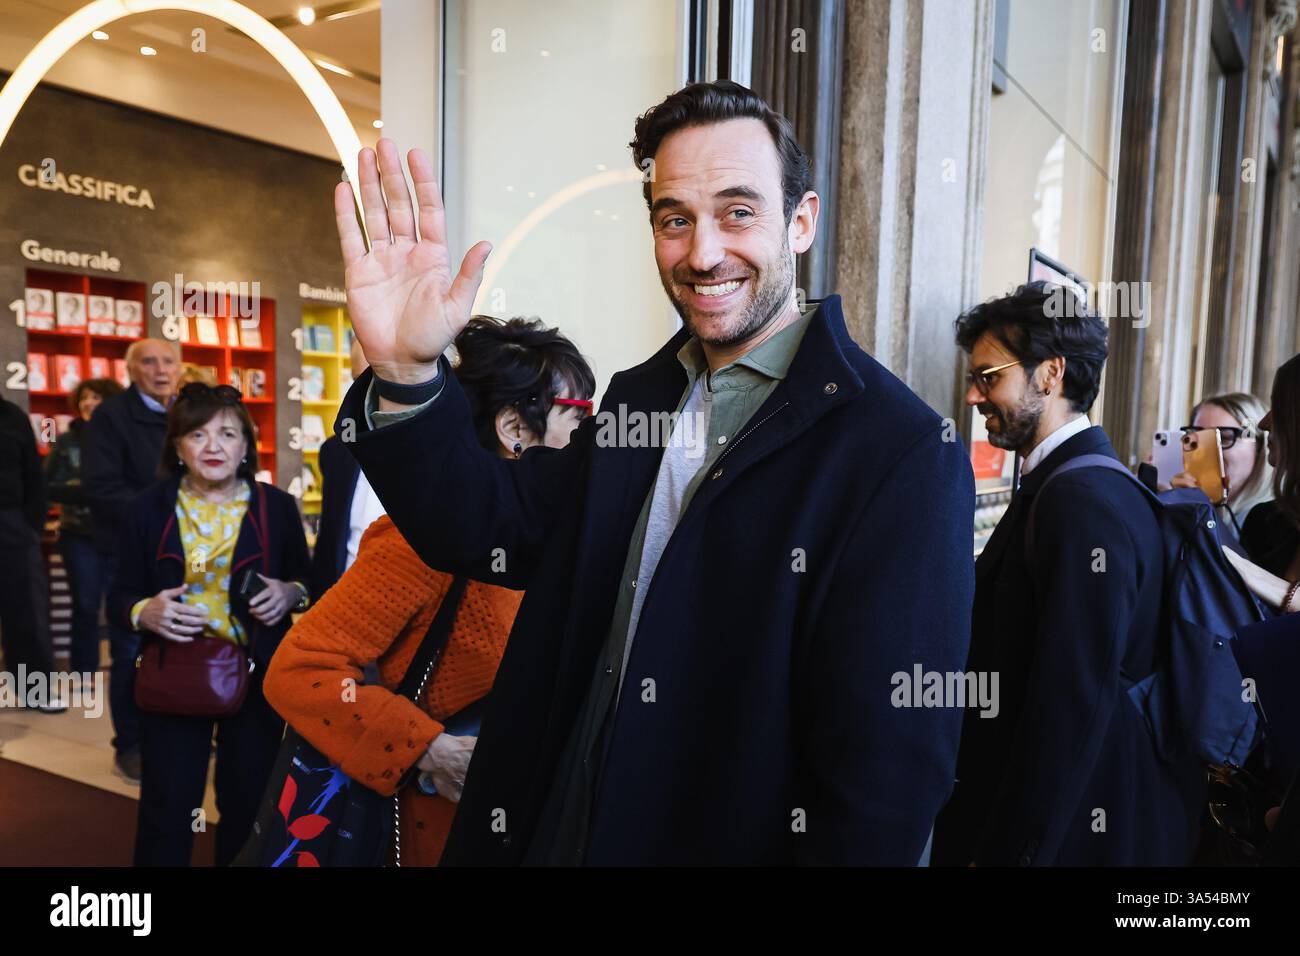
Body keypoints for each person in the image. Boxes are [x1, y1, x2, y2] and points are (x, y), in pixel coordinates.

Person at [330, 80, 975, 865]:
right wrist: (403, 370)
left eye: (738, 211)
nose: (703, 253)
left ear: (800, 222)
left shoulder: (895, 447)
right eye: (675, 220)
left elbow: (887, 778)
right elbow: (484, 526)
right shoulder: (645, 396)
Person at [265, 316, 595, 865]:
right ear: (515, 427)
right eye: (579, 413)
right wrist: (425, 749)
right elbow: (301, 671)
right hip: (432, 827)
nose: (593, 435)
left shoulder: (553, 540)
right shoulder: (421, 545)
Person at [933, 282, 1205, 866]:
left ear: (1050, 374)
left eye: (989, 376)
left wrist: (1014, 852)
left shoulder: (1079, 499)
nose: (973, 395)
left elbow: (1069, 704)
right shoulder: (1077, 483)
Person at [108, 383, 310, 866]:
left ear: (246, 445)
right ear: (177, 447)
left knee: (248, 805)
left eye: (227, 434)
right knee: (167, 809)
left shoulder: (276, 506)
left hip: (257, 674)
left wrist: (289, 593)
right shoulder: (147, 508)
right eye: (197, 435)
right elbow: (118, 596)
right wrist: (144, 610)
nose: (214, 446)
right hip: (172, 671)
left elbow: (309, 582)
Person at [82, 338, 181, 781]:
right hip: (129, 553)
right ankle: (131, 745)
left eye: (168, 360)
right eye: (149, 361)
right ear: (131, 370)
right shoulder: (110, 416)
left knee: (185, 641)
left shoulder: (189, 411)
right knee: (129, 649)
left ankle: (183, 728)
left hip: (188, 550)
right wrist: (165, 517)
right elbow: (101, 489)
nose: (160, 369)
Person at [44, 378, 125, 676]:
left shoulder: (123, 438)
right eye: (84, 398)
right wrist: (87, 491)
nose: (89, 403)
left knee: (122, 603)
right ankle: (83, 671)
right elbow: (47, 485)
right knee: (86, 605)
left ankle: (126, 667)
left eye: (97, 397)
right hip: (78, 534)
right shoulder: (67, 441)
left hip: (119, 534)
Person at [307, 337, 384, 603]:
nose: (366, 394)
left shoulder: (455, 453)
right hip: (342, 619)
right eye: (357, 381)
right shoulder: (336, 452)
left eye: (379, 379)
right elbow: (329, 550)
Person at [0, 394, 61, 712]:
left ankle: (37, 691)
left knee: (28, 614)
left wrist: (31, 527)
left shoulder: (12, 416)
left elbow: (34, 478)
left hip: (12, 523)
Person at [1169, 392, 1272, 542]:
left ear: (1259, 447)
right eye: (1197, 438)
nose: (1206, 452)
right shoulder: (1185, 503)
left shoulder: (1273, 521)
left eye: (1223, 438)